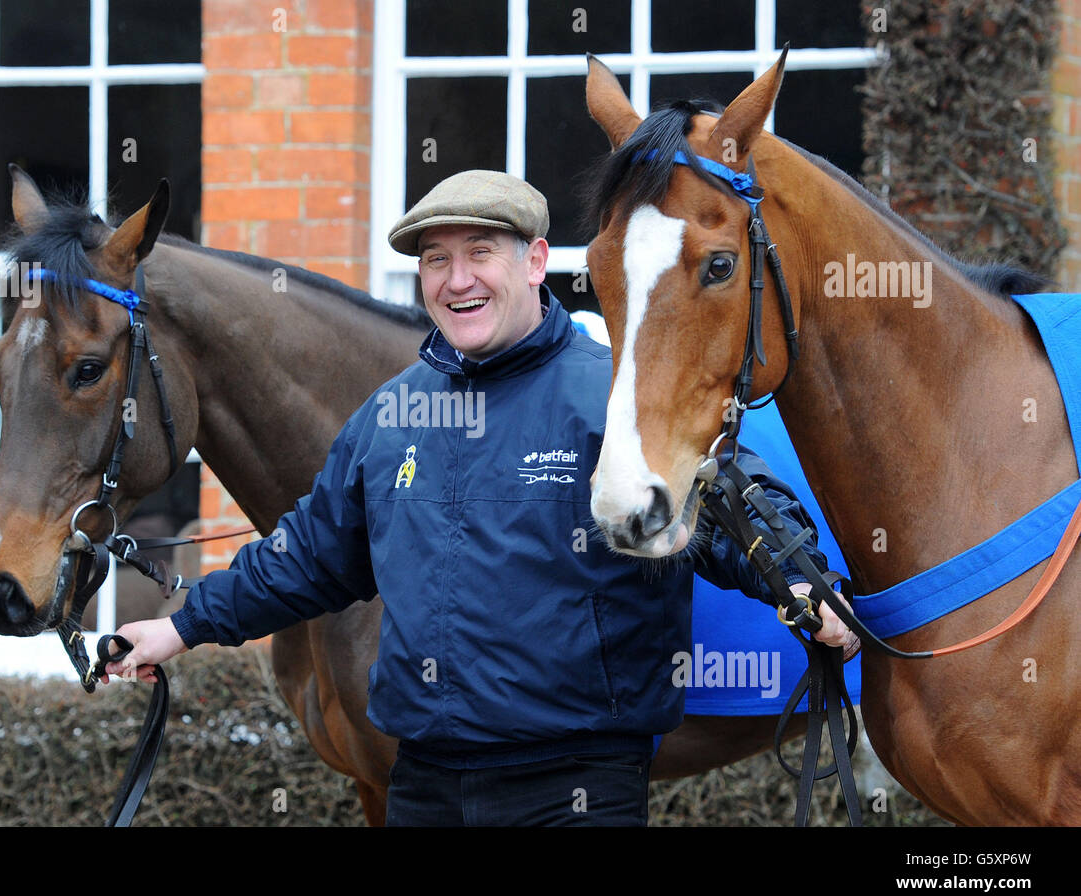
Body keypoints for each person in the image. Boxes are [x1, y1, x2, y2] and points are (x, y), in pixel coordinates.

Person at [103, 170, 856, 826]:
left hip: (574, 789)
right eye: (437, 261)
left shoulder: (609, 394)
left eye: (478, 255)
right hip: (424, 783)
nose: (456, 279)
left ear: (534, 262)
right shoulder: (393, 413)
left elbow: (727, 494)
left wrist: (798, 577)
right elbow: (307, 555)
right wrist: (179, 629)